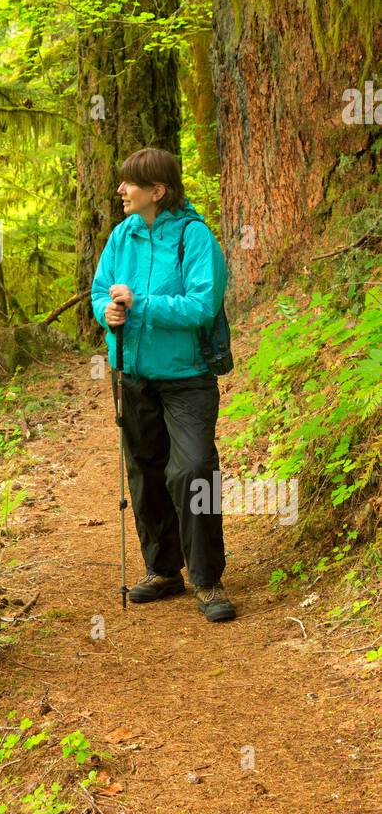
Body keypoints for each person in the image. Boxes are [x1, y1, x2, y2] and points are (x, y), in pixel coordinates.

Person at [90, 146, 236, 622]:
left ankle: (208, 579)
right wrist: (107, 311)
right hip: (132, 374)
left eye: (129, 183)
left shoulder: (195, 238)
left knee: (193, 469)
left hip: (187, 378)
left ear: (158, 191)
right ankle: (163, 570)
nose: (120, 190)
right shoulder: (121, 237)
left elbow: (202, 306)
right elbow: (99, 290)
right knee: (147, 472)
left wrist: (141, 304)